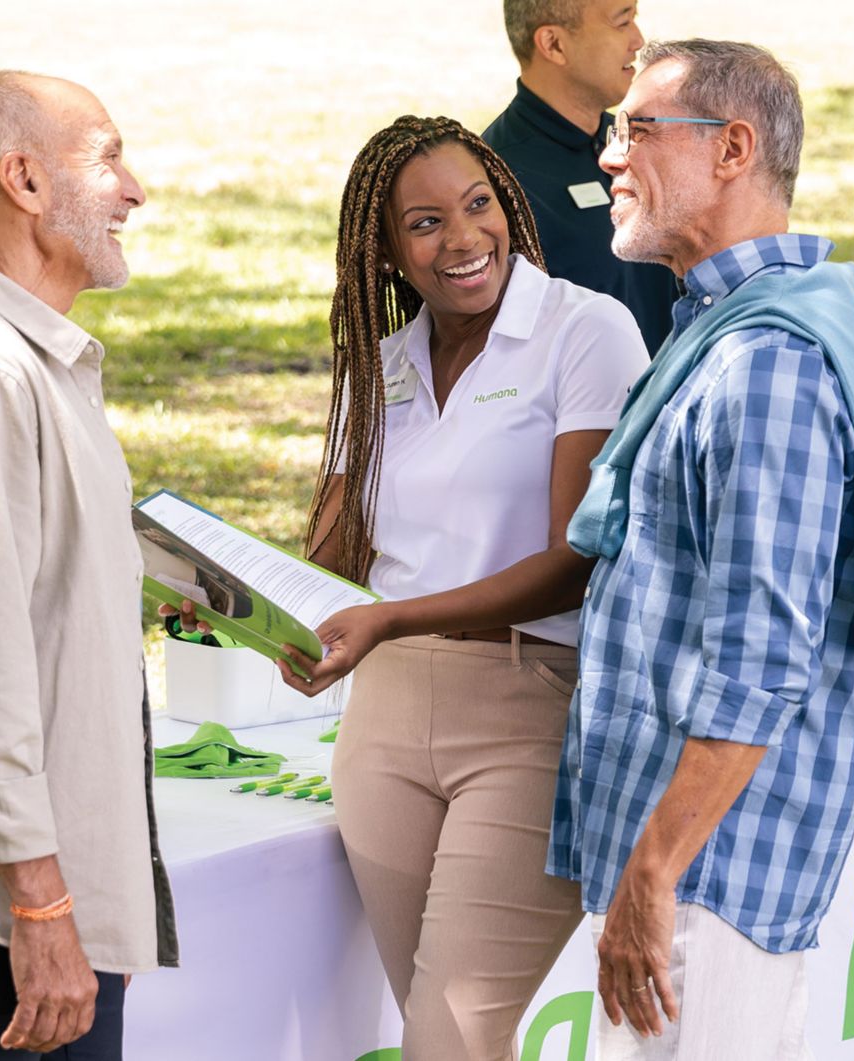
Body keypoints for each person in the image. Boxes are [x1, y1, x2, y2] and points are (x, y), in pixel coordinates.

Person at [551, 40, 854, 1059]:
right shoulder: (723, 328)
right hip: (684, 863)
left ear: (730, 149)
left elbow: (758, 660)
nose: (611, 157)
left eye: (636, 130)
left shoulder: (764, 365)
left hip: (705, 879)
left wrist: (653, 875)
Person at [274, 116, 648, 1058]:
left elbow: (578, 554)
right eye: (427, 222)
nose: (465, 238)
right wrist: (241, 599)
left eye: (479, 205)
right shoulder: (382, 364)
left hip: (532, 712)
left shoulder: (583, 330)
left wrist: (390, 616)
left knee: (450, 1033)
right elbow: (333, 559)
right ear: (389, 251)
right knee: (438, 1037)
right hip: (385, 725)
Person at [0, 71, 177, 1060]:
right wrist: (45, 900)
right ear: (24, 180)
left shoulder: (29, 365)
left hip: (46, 906)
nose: (134, 189)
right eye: (108, 156)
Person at [483, 1, 678, 354]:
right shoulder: (495, 181)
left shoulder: (643, 141)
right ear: (554, 45)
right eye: (622, 23)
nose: (638, 40)